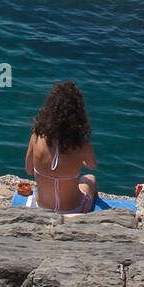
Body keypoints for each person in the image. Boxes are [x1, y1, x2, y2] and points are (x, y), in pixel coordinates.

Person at [25, 80, 98, 214]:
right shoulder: (82, 144)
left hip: (40, 207)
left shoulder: (36, 136)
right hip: (74, 210)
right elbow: (92, 166)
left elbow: (29, 170)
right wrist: (77, 160)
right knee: (90, 178)